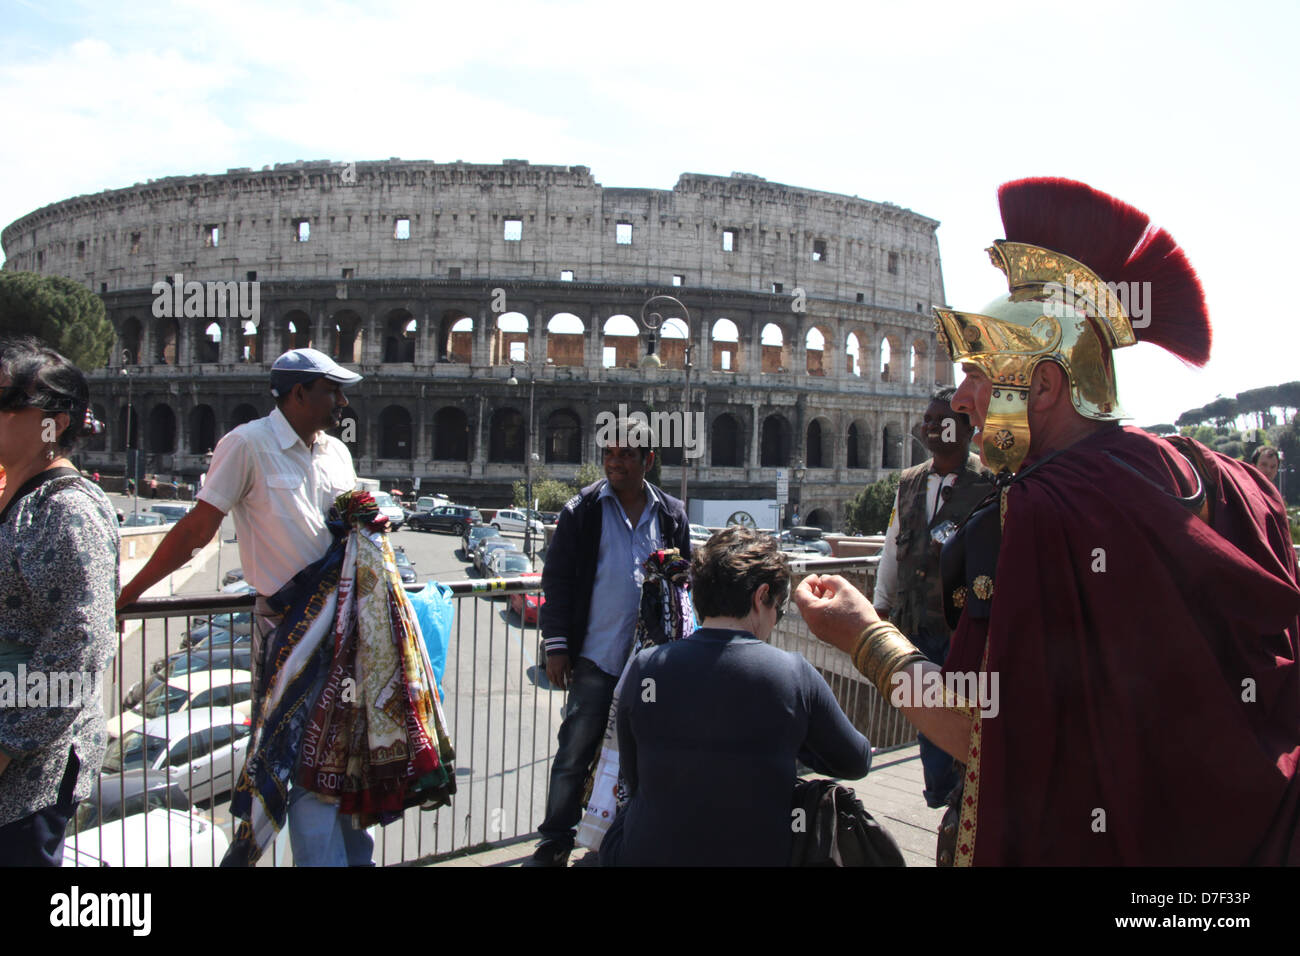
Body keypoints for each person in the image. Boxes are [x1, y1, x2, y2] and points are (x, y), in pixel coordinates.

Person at [795, 178, 1300, 865]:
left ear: (1046, 386)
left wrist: (863, 638)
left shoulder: (1026, 518)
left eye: (979, 370)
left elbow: (981, 728)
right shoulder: (1216, 477)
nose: (963, 397)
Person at [117, 347, 372, 866]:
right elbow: (195, 530)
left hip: (344, 635)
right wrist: (132, 592)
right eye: (332, 390)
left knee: (346, 759)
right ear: (298, 393)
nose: (341, 402)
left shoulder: (337, 454)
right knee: (306, 766)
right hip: (288, 636)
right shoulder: (246, 445)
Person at [599, 527, 871, 866]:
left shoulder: (646, 669)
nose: (774, 620)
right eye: (778, 610)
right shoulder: (794, 675)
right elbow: (856, 761)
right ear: (761, 597)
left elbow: (634, 775)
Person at [530, 419, 692, 866]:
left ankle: (624, 837)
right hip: (596, 658)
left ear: (648, 461)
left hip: (649, 665)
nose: (615, 462)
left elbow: (685, 585)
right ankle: (555, 838)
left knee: (642, 756)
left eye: (626, 454)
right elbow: (557, 580)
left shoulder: (672, 515)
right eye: (610, 454)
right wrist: (556, 646)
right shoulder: (582, 510)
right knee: (575, 750)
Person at [0, 338, 118, 866]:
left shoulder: (66, 511)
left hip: (26, 772)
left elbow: (81, 643)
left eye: (5, 400)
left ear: (55, 421)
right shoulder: (18, 497)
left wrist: (6, 745)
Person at [872, 386, 992, 808]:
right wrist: (879, 609)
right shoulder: (908, 482)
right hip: (913, 623)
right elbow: (893, 547)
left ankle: (964, 795)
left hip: (964, 627)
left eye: (939, 420)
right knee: (926, 717)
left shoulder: (989, 483)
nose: (928, 426)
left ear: (966, 426)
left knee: (964, 712)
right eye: (925, 419)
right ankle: (942, 795)